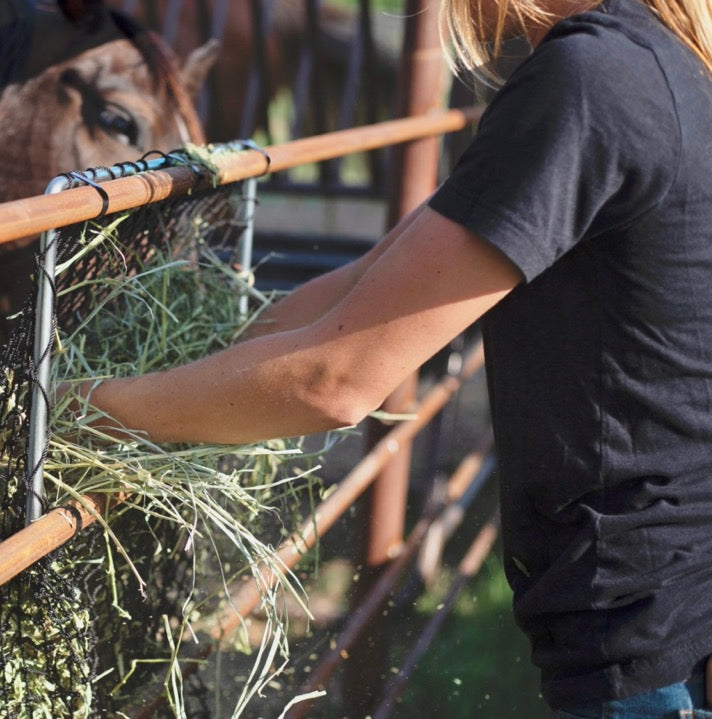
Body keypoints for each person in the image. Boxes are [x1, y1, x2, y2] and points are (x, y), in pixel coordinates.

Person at [72, 0, 712, 713]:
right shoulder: (662, 58)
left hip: (651, 644)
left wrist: (75, 413)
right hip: (673, 614)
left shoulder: (588, 80)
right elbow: (372, 279)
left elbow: (335, 379)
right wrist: (215, 351)